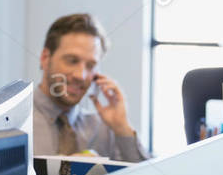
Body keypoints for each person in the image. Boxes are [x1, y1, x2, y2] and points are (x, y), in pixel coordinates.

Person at [32, 13, 148, 162]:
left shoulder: (104, 130)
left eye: (91, 65)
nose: (81, 75)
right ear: (45, 58)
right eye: (72, 61)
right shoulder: (14, 126)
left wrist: (122, 128)